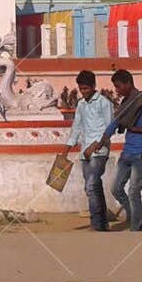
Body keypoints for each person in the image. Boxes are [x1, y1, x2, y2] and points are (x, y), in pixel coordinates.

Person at [84, 70, 142, 232]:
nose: (117, 90)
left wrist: (141, 129)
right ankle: (139, 219)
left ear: (128, 83)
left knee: (134, 191)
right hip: (127, 152)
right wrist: (100, 143)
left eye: (118, 86)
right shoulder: (126, 104)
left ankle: (135, 228)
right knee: (116, 189)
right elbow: (114, 124)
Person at [61, 70, 114, 232]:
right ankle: (102, 222)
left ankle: (96, 223)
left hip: (99, 151)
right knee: (93, 186)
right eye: (81, 89)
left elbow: (109, 128)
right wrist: (67, 148)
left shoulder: (104, 103)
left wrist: (95, 145)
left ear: (93, 86)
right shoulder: (81, 105)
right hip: (85, 152)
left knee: (91, 185)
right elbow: (76, 127)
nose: (83, 92)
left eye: (86, 89)